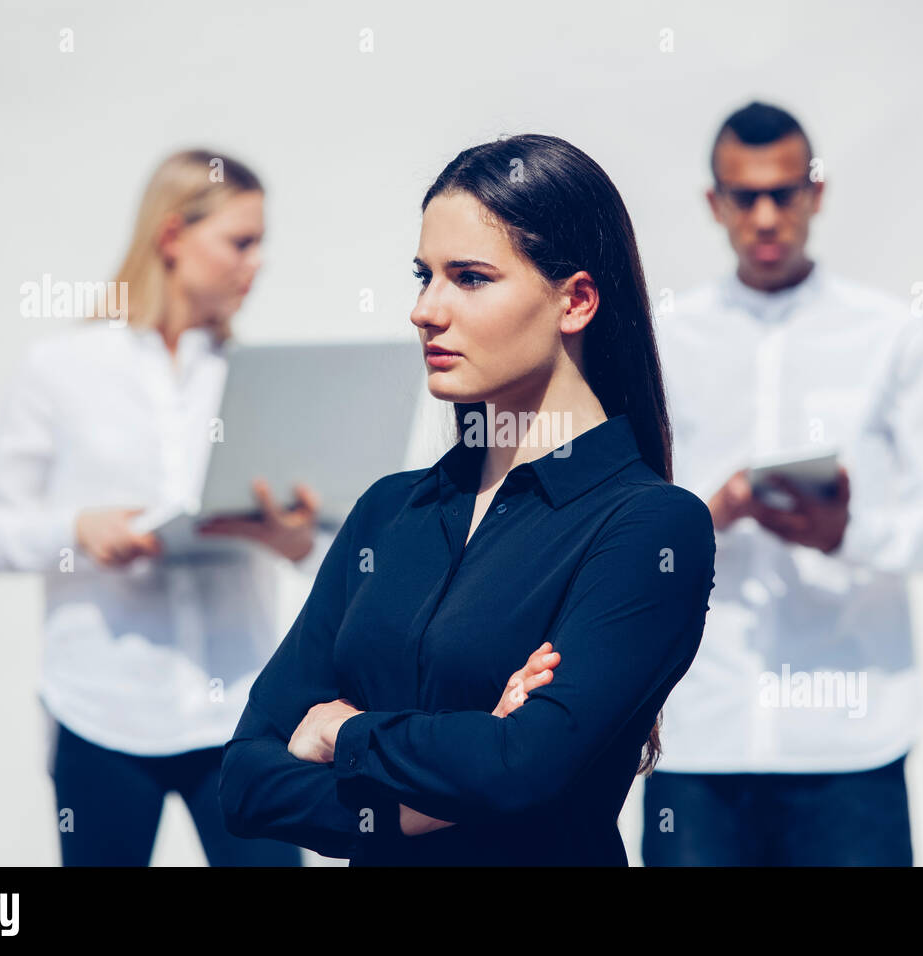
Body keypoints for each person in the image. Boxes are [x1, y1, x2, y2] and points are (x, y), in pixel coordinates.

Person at [219, 133, 717, 866]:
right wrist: (437, 796)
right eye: (424, 275)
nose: (426, 309)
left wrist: (342, 733)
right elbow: (246, 781)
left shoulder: (651, 527)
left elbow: (524, 770)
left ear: (574, 301)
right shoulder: (388, 513)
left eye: (470, 278)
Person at [0, 149, 319, 866]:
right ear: (171, 238)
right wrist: (78, 530)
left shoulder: (253, 382)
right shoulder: (61, 369)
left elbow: (314, 542)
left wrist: (291, 539)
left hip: (241, 713)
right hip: (102, 711)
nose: (257, 263)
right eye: (241, 242)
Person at [644, 102, 923, 866]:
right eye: (743, 195)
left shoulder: (890, 333)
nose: (765, 216)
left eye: (784, 193)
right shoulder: (665, 339)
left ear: (815, 194)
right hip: (700, 737)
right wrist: (710, 514)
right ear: (713, 203)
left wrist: (848, 535)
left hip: (851, 740)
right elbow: (619, 526)